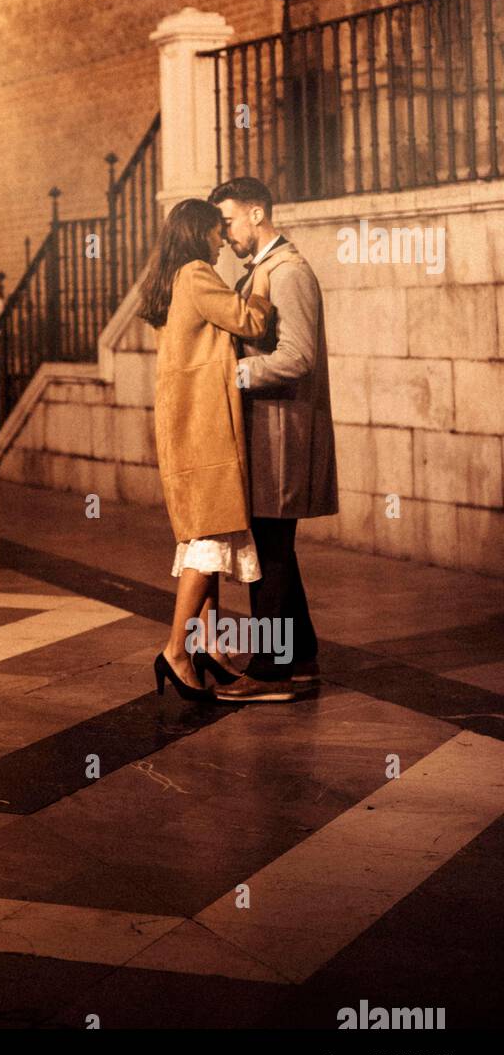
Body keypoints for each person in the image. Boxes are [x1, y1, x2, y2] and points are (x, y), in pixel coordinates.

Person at [136, 198, 274, 701]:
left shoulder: (171, 277)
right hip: (203, 427)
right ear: (199, 233)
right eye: (217, 231)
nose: (222, 240)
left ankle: (211, 645)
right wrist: (261, 280)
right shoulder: (196, 273)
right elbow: (250, 321)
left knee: (207, 533)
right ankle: (176, 650)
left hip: (186, 423)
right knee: (207, 538)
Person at [207, 176, 338, 702]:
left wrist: (233, 374)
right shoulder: (263, 270)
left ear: (257, 213)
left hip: (283, 433)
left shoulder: (288, 272)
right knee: (276, 547)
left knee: (270, 550)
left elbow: (298, 356)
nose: (226, 233)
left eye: (230, 221)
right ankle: (299, 658)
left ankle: (270, 673)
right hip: (269, 432)